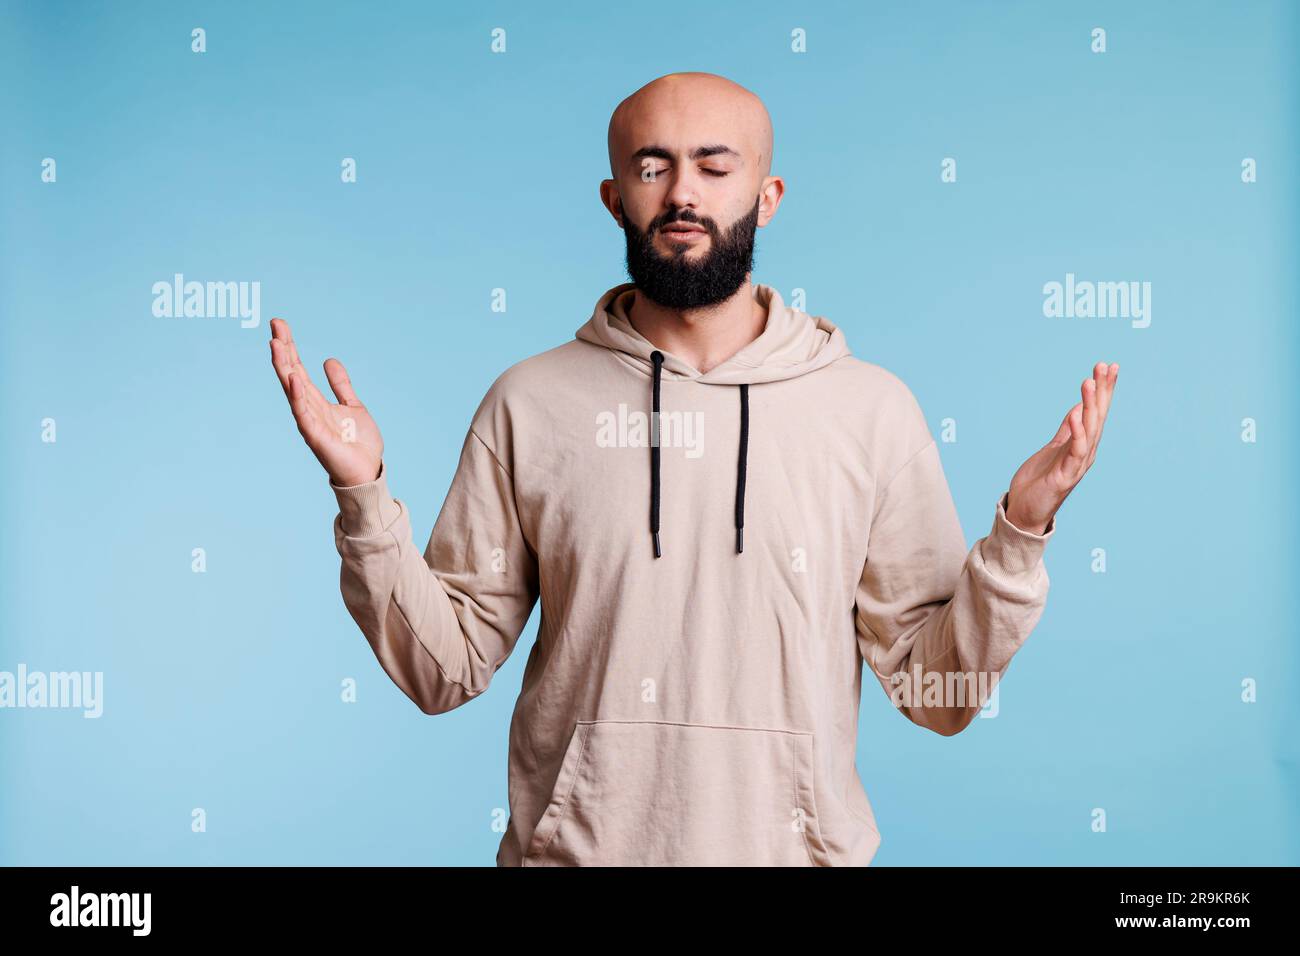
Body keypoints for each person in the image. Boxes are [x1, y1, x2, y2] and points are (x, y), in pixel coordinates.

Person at [268, 71, 1119, 866]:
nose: (683, 194)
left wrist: (1021, 530)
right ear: (615, 198)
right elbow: (440, 671)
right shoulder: (529, 404)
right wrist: (363, 494)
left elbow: (939, 693)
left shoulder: (871, 411)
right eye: (654, 167)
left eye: (715, 167)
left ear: (767, 196)